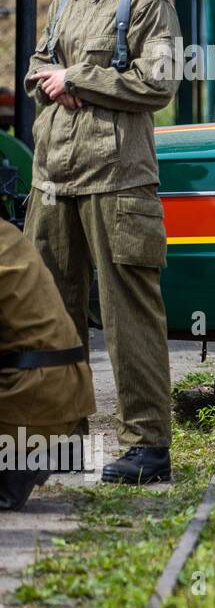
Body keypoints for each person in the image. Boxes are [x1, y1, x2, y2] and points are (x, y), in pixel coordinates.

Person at [23, 0, 182, 484]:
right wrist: (56, 76)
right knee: (49, 315)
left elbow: (160, 82)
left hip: (117, 182)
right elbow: (40, 64)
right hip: (54, 178)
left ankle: (148, 447)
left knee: (127, 314)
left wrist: (79, 81)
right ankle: (58, 439)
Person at [0, 219, 96, 510]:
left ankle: (22, 455)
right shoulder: (6, 232)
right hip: (57, 393)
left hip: (32, 396)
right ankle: (30, 454)